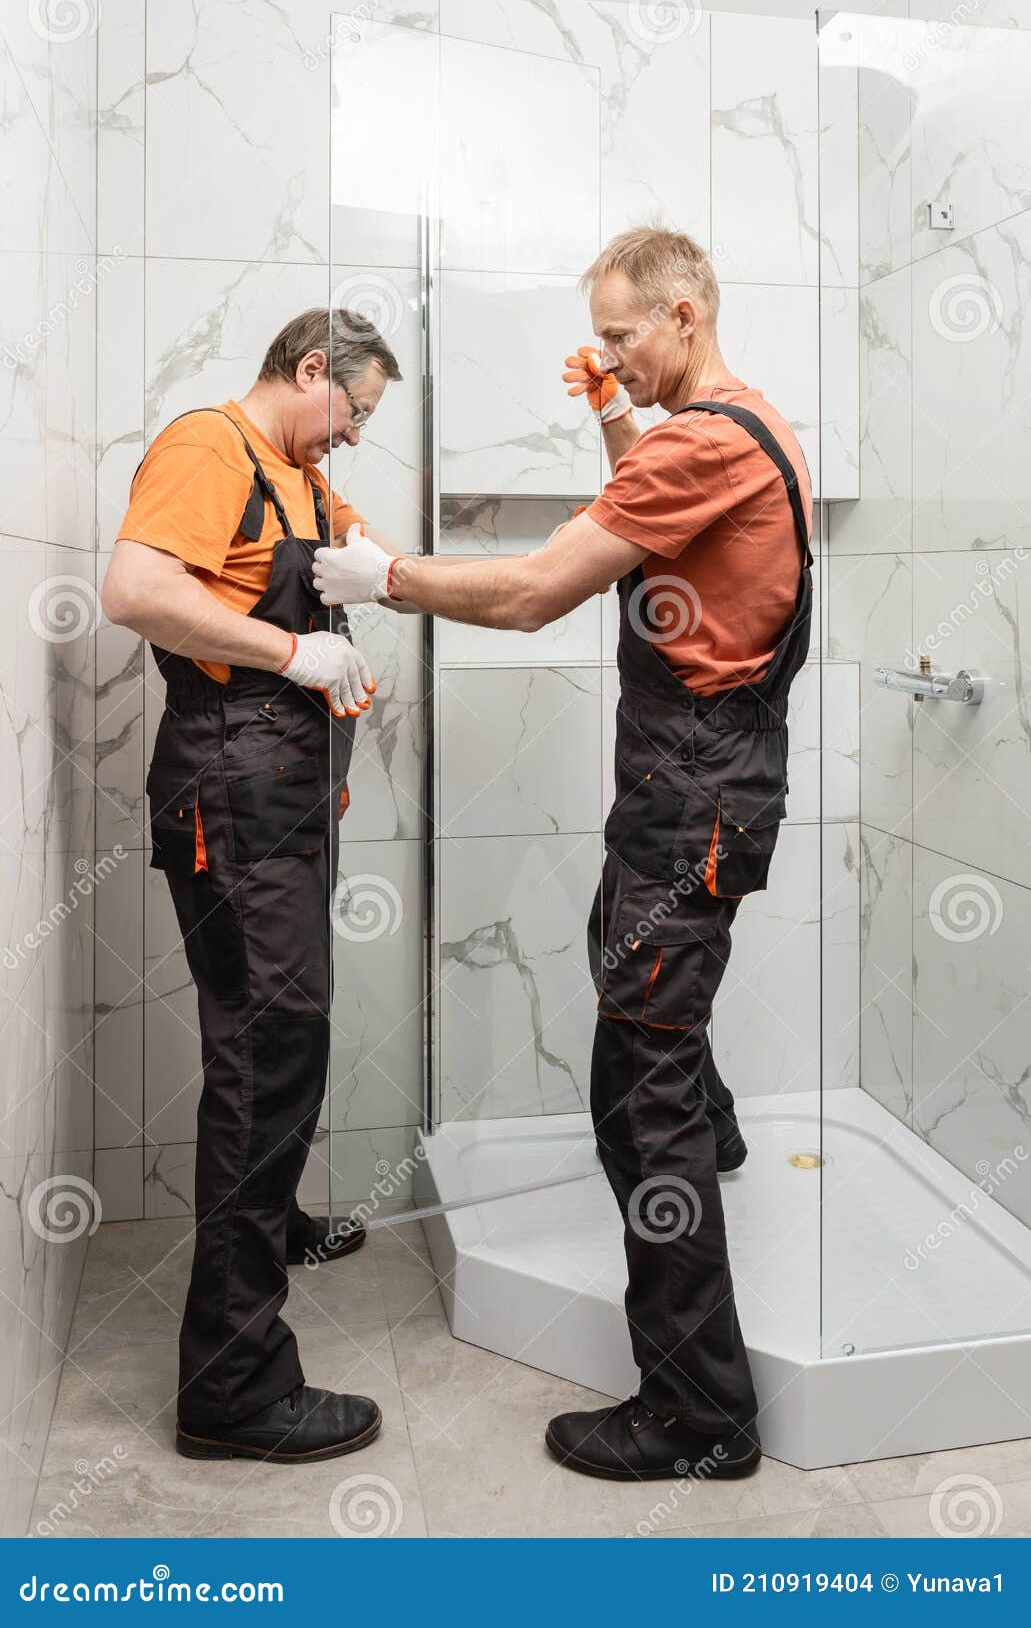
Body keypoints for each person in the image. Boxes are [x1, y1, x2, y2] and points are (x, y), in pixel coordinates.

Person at [310, 227, 814, 1482]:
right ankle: (727, 1140)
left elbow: (541, 589)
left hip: (687, 797)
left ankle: (700, 1414)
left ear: (684, 316)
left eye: (621, 334)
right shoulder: (748, 424)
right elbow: (665, 525)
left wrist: (389, 578)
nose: (605, 354)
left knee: (635, 1092)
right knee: (641, 989)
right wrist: (608, 420)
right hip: (709, 789)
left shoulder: (700, 441)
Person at [101, 308, 405, 1465]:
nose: (355, 435)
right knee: (266, 1050)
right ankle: (231, 1385)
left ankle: (270, 1220)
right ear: (310, 368)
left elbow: (374, 564)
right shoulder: (208, 446)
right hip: (230, 792)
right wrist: (291, 651)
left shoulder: (298, 477)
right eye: (355, 410)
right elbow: (133, 588)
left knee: (282, 1032)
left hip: (281, 802)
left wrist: (373, 589)